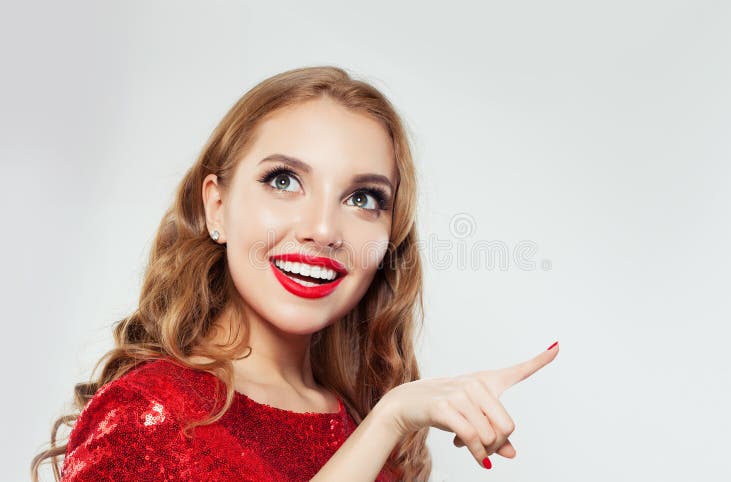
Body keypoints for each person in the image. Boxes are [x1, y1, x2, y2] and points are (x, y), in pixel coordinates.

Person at [30, 65, 559, 482]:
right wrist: (390, 420)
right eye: (283, 181)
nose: (323, 229)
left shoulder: (357, 421)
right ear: (217, 206)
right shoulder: (145, 415)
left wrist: (385, 425)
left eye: (362, 198)